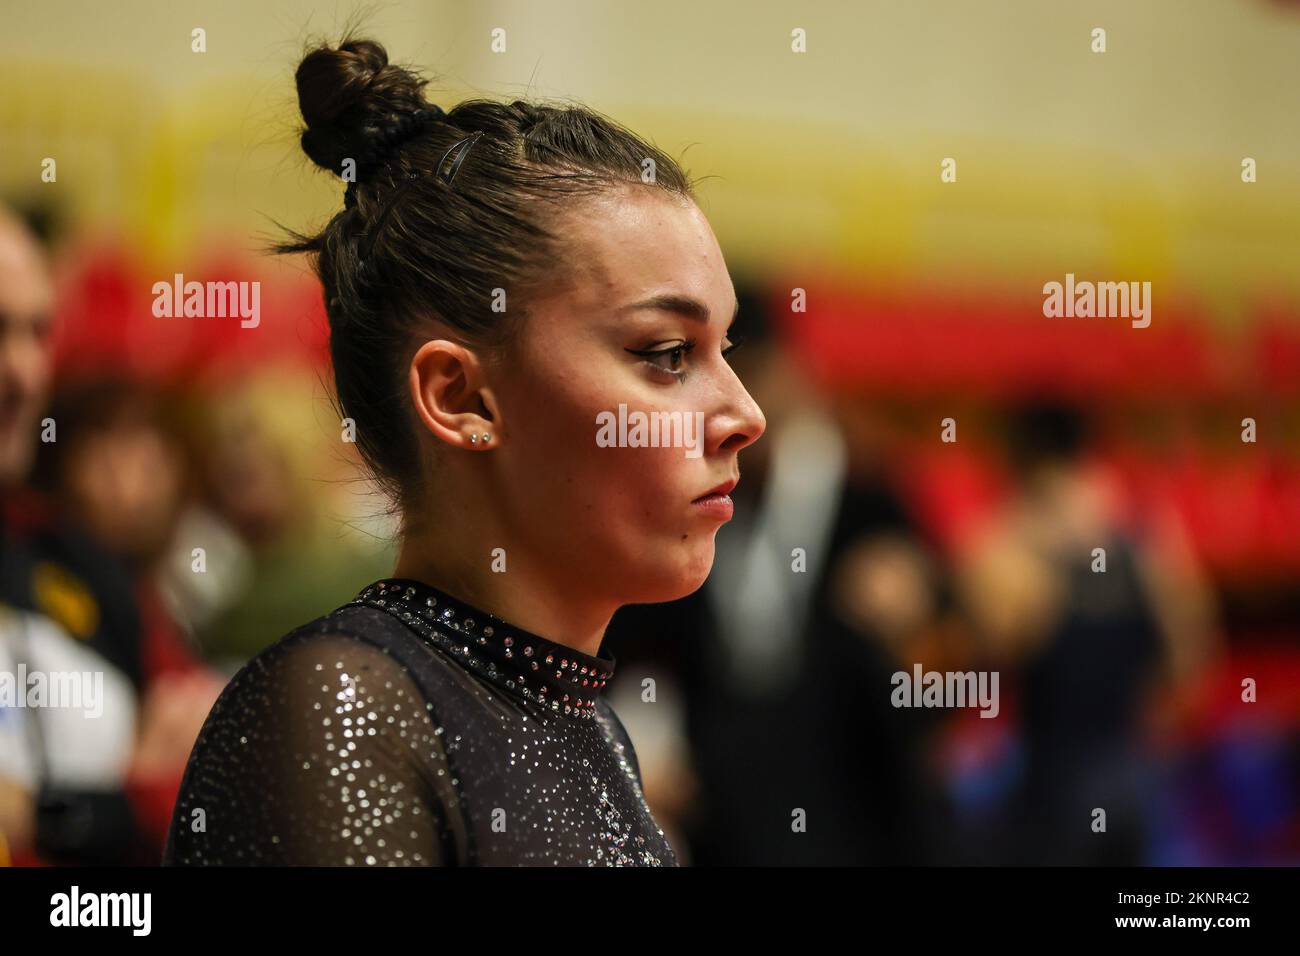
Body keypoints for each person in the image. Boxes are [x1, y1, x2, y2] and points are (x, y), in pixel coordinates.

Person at [163, 35, 765, 866]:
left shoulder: (591, 729)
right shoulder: (348, 708)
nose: (743, 413)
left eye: (725, 351)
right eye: (667, 354)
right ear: (461, 398)